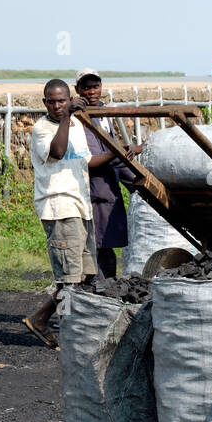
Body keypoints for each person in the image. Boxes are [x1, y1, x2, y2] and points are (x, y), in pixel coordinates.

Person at [22, 79, 118, 347]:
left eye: (62, 101)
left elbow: (87, 160)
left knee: (85, 274)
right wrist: (66, 117)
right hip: (58, 206)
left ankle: (48, 321)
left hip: (80, 205)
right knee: (69, 278)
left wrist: (118, 153)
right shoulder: (43, 129)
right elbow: (58, 151)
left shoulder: (75, 125)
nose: (57, 105)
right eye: (51, 101)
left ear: (69, 98)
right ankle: (53, 325)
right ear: (44, 103)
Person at [75, 69, 143, 280]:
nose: (91, 91)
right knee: (97, 244)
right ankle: (98, 292)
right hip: (94, 187)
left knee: (107, 244)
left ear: (101, 87)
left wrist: (136, 183)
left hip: (109, 185)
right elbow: (94, 158)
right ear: (78, 90)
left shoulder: (102, 114)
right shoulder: (80, 119)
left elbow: (114, 155)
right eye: (86, 87)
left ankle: (107, 289)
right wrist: (124, 151)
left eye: (95, 86)